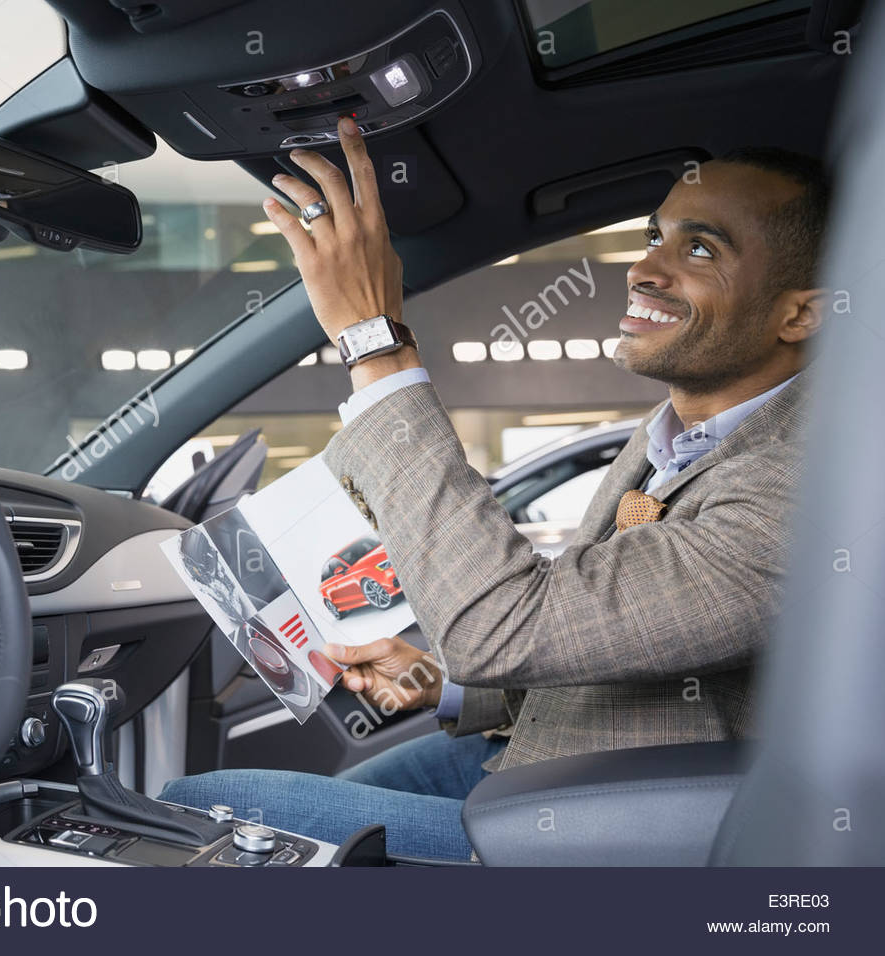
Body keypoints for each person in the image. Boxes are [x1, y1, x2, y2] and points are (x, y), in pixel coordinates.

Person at [159, 116, 830, 861]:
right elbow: (598, 638)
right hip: (534, 763)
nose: (644, 271)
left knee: (199, 809)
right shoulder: (669, 435)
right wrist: (440, 684)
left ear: (799, 312)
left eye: (699, 249)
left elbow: (508, 626)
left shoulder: (805, 488)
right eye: (653, 238)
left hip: (622, 827)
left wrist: (373, 340)